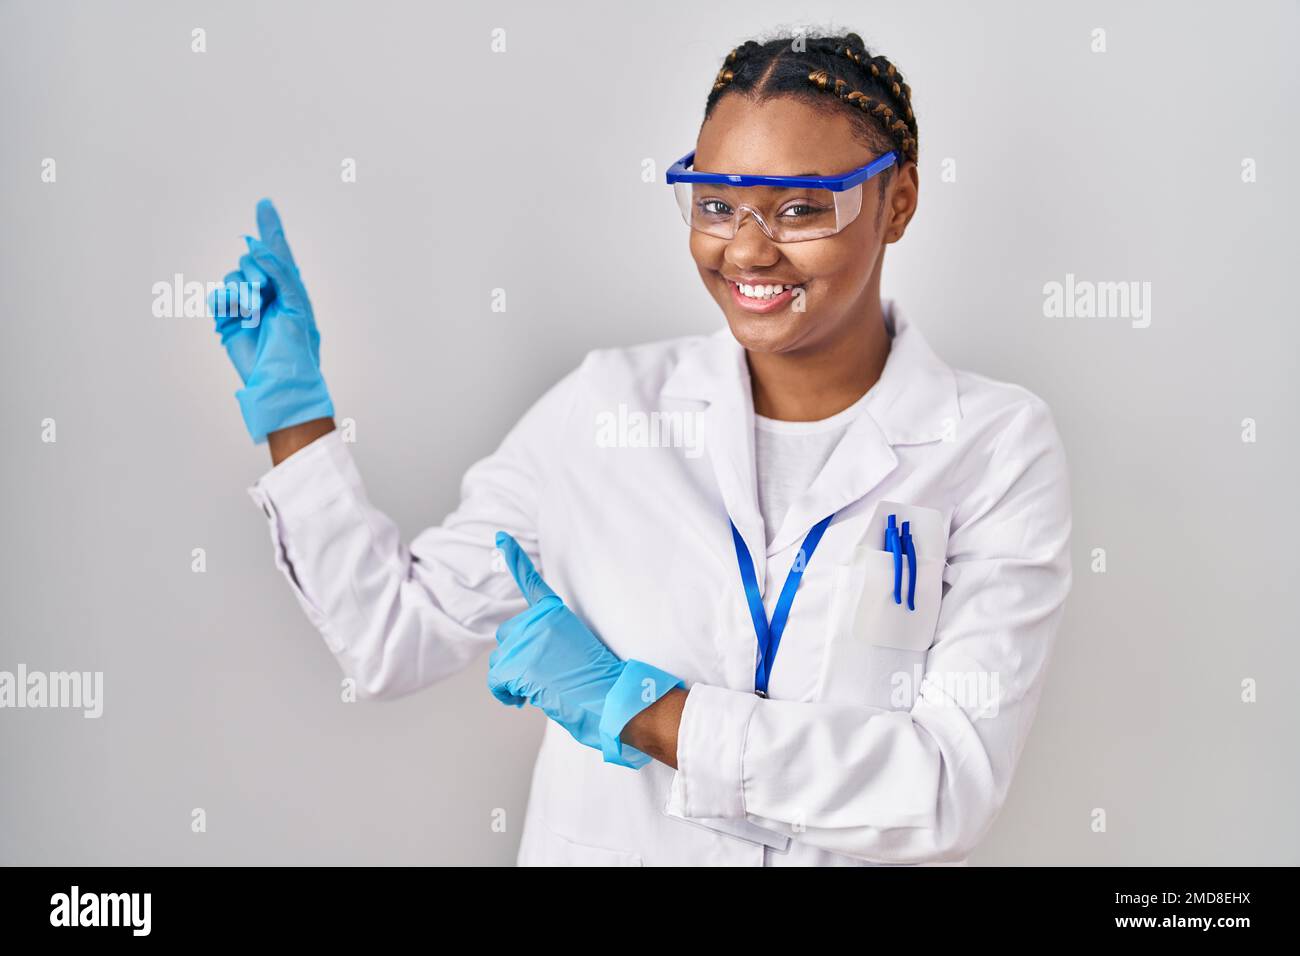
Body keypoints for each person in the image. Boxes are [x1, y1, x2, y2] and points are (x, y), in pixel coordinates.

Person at [209, 31, 1072, 866]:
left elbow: (947, 790)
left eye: (802, 208)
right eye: (715, 203)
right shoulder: (604, 411)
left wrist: (644, 714)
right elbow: (391, 638)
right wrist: (295, 412)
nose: (746, 247)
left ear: (900, 201)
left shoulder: (993, 447)